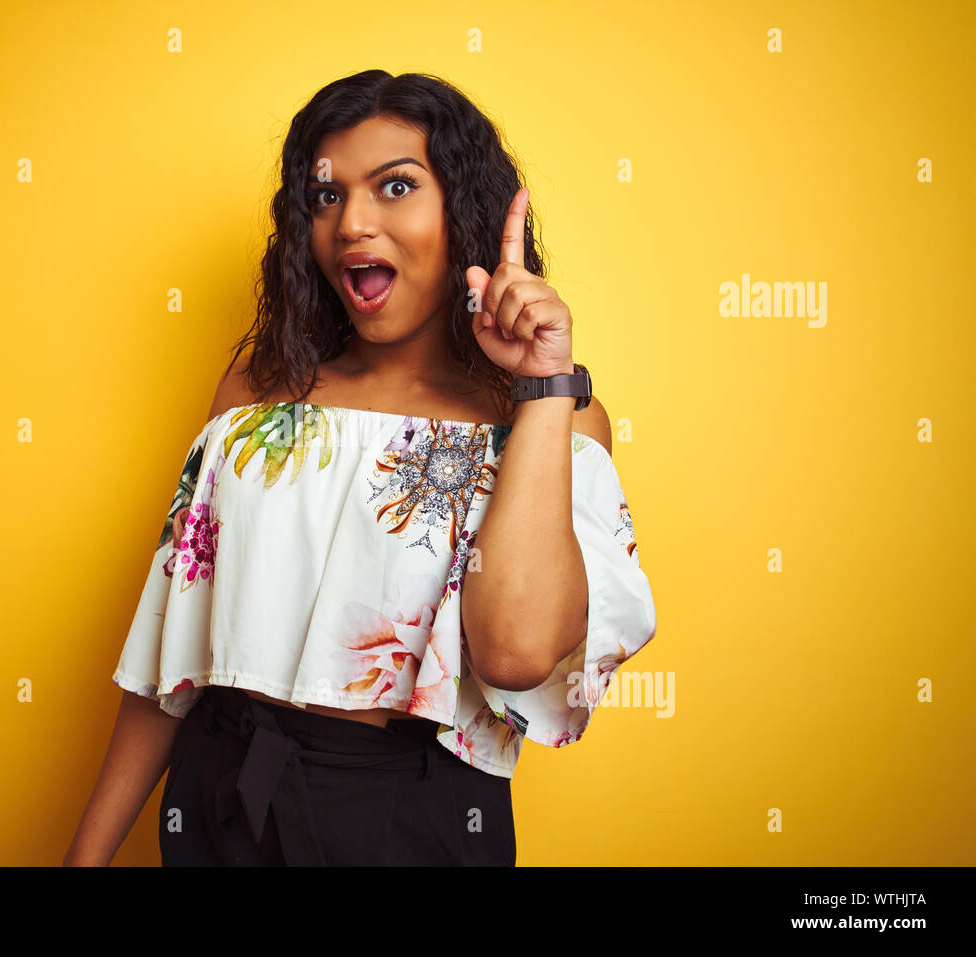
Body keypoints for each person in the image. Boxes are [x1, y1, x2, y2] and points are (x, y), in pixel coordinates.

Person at [65, 69, 657, 867]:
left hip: (408, 818)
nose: (351, 224)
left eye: (396, 186)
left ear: (464, 214)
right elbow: (173, 654)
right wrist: (85, 857)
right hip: (221, 784)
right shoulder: (255, 397)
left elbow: (516, 653)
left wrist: (542, 385)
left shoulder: (554, 418)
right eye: (326, 196)